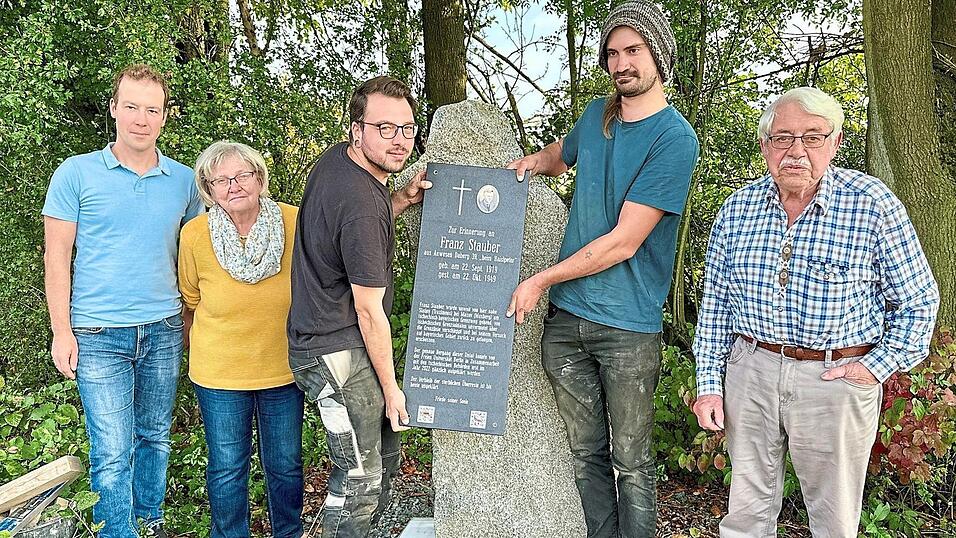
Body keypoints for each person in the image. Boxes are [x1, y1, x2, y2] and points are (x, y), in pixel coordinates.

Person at [692, 87, 940, 537]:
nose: (796, 151)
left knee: (833, 518)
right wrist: (710, 387)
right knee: (745, 512)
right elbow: (716, 308)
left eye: (812, 137)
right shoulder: (737, 209)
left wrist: (873, 368)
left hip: (836, 377)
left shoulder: (871, 204)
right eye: (783, 137)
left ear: (836, 142)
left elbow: (919, 300)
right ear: (766, 145)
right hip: (751, 369)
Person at [506, 2, 699, 535]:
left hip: (627, 327)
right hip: (566, 323)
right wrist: (530, 162)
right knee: (585, 455)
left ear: (658, 54)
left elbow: (623, 243)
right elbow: (562, 154)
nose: (621, 63)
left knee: (632, 464)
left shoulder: (674, 139)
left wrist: (541, 279)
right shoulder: (597, 116)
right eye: (613, 53)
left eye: (633, 50)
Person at [42, 64, 204, 538]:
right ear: (113, 109)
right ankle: (117, 532)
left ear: (164, 117)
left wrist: (195, 325)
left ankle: (149, 524)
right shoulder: (76, 173)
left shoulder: (183, 181)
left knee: (154, 437)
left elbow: (197, 255)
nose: (141, 118)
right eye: (131, 106)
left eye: (152, 109)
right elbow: (56, 257)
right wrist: (61, 331)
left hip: (164, 329)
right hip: (96, 335)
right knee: (112, 449)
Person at [287, 76, 431, 537]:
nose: (399, 141)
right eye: (384, 128)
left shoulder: (340, 165)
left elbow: (347, 232)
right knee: (360, 479)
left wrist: (401, 201)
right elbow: (370, 311)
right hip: (334, 352)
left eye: (407, 128)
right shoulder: (359, 203)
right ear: (357, 129)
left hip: (337, 340)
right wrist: (392, 389)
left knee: (382, 463)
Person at [178, 141, 304, 538]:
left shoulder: (295, 221)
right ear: (209, 190)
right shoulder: (195, 234)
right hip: (219, 374)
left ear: (260, 178)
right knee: (227, 467)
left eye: (242, 175)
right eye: (221, 180)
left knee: (285, 464)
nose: (233, 186)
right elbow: (190, 301)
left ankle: (289, 532)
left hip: (282, 368)